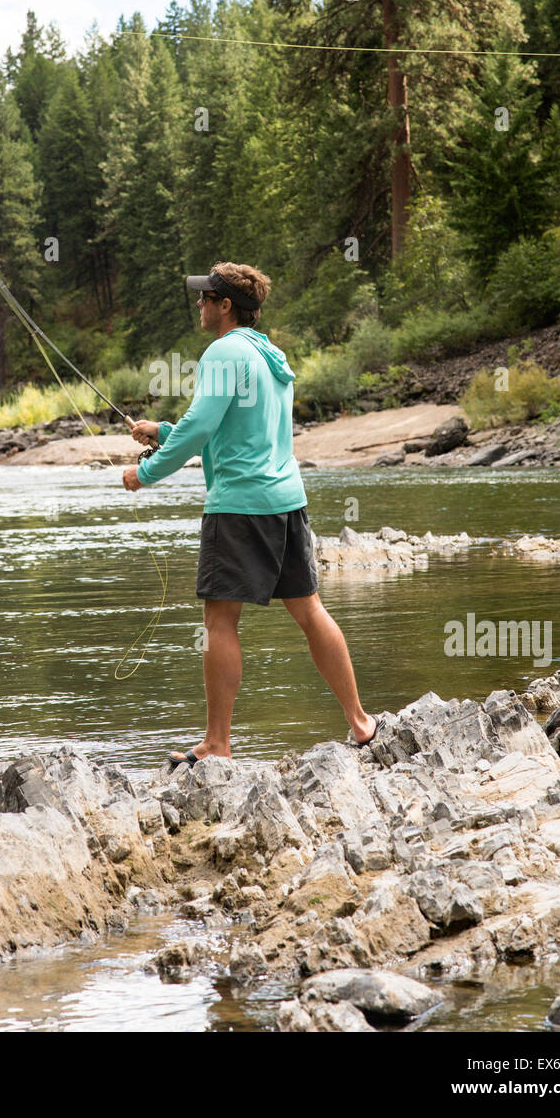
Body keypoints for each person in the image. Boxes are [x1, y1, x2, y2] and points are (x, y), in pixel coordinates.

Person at [121, 261, 379, 767]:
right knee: (310, 612)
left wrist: (144, 475)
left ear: (225, 306)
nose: (198, 304)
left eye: (205, 297)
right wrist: (163, 431)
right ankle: (361, 723)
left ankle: (217, 743)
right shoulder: (270, 354)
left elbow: (201, 430)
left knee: (219, 620)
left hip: (238, 507)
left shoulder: (222, 351)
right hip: (285, 502)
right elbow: (235, 431)